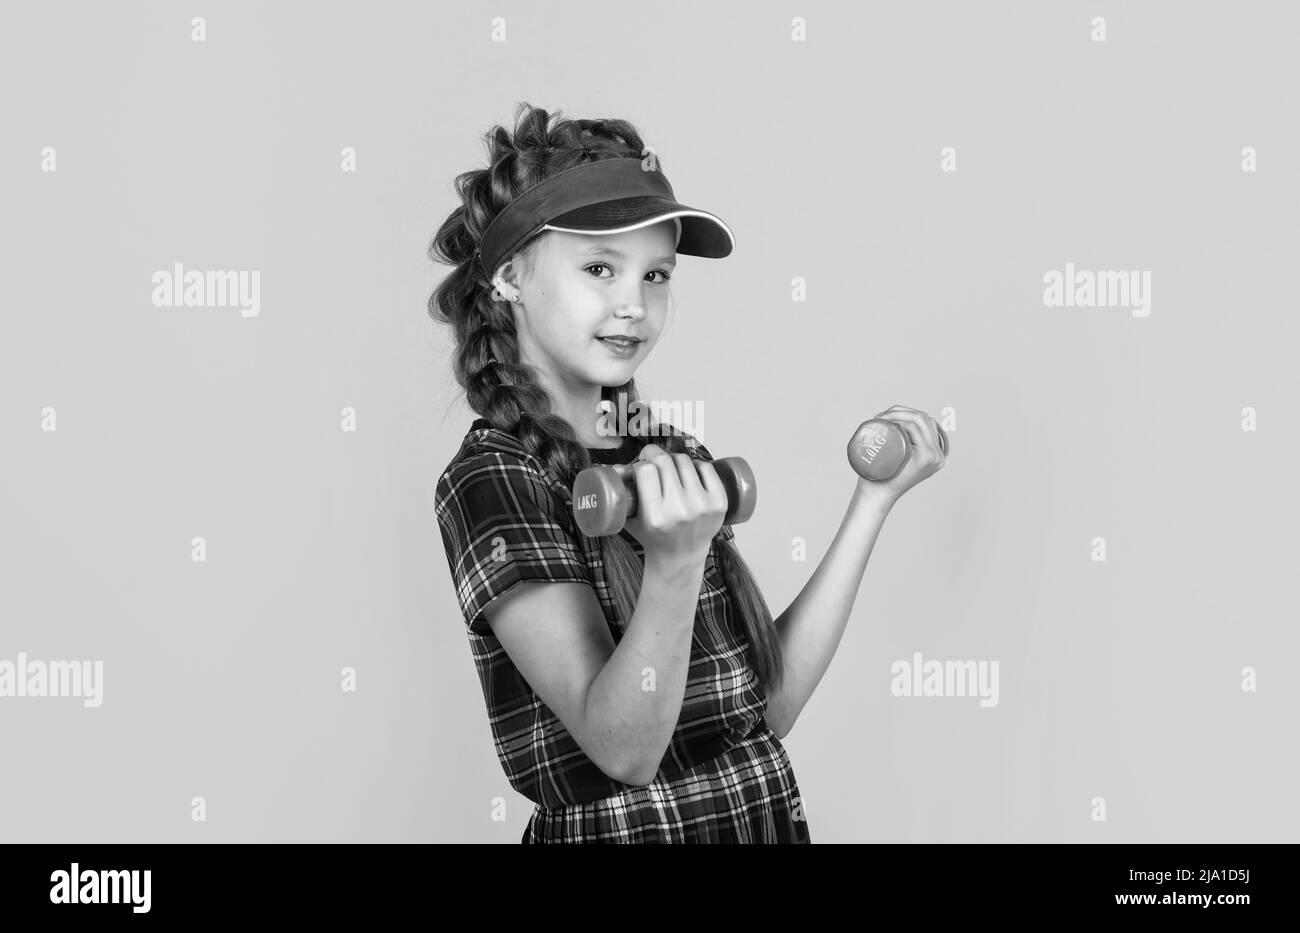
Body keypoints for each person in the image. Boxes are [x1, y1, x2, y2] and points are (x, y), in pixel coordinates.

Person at [428, 103, 945, 843]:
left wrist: (873, 501)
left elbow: (763, 713)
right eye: (599, 267)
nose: (634, 304)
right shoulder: (492, 478)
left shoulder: (669, 459)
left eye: (657, 273)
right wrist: (673, 562)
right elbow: (624, 750)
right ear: (510, 275)